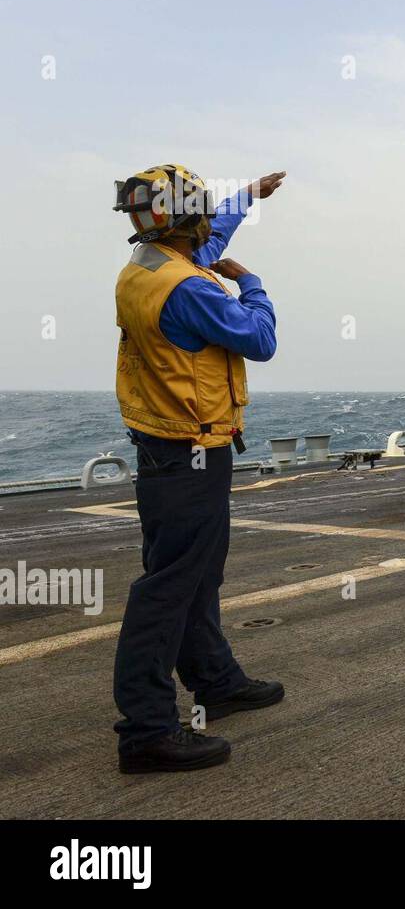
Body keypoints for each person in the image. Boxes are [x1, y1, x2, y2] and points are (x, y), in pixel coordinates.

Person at [111, 164, 287, 773]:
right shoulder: (192, 289)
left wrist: (249, 197)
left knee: (195, 574)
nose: (213, 222)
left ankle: (216, 680)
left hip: (163, 447)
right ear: (186, 220)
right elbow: (259, 340)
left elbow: (208, 244)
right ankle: (146, 731)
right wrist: (253, 283)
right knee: (167, 589)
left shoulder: (146, 269)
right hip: (190, 450)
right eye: (206, 211)